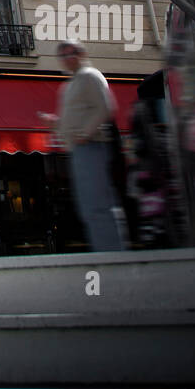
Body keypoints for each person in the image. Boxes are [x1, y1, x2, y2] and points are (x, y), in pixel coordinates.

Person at [39, 41, 127, 252]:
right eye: (63, 54)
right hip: (80, 149)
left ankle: (112, 254)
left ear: (81, 53)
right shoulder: (70, 84)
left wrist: (85, 133)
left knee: (98, 204)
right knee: (90, 206)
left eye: (71, 52)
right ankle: (108, 250)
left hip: (93, 145)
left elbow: (106, 107)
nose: (67, 58)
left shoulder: (90, 76)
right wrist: (56, 123)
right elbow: (75, 118)